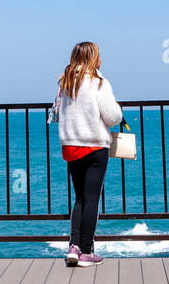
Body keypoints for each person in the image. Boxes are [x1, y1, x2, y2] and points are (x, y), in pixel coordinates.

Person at [48, 41, 123, 267]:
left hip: (71, 146)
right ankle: (87, 250)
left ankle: (74, 246)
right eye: (99, 56)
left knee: (80, 198)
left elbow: (59, 112)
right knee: (92, 200)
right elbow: (112, 116)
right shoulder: (97, 81)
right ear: (93, 58)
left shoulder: (66, 81)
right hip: (94, 145)